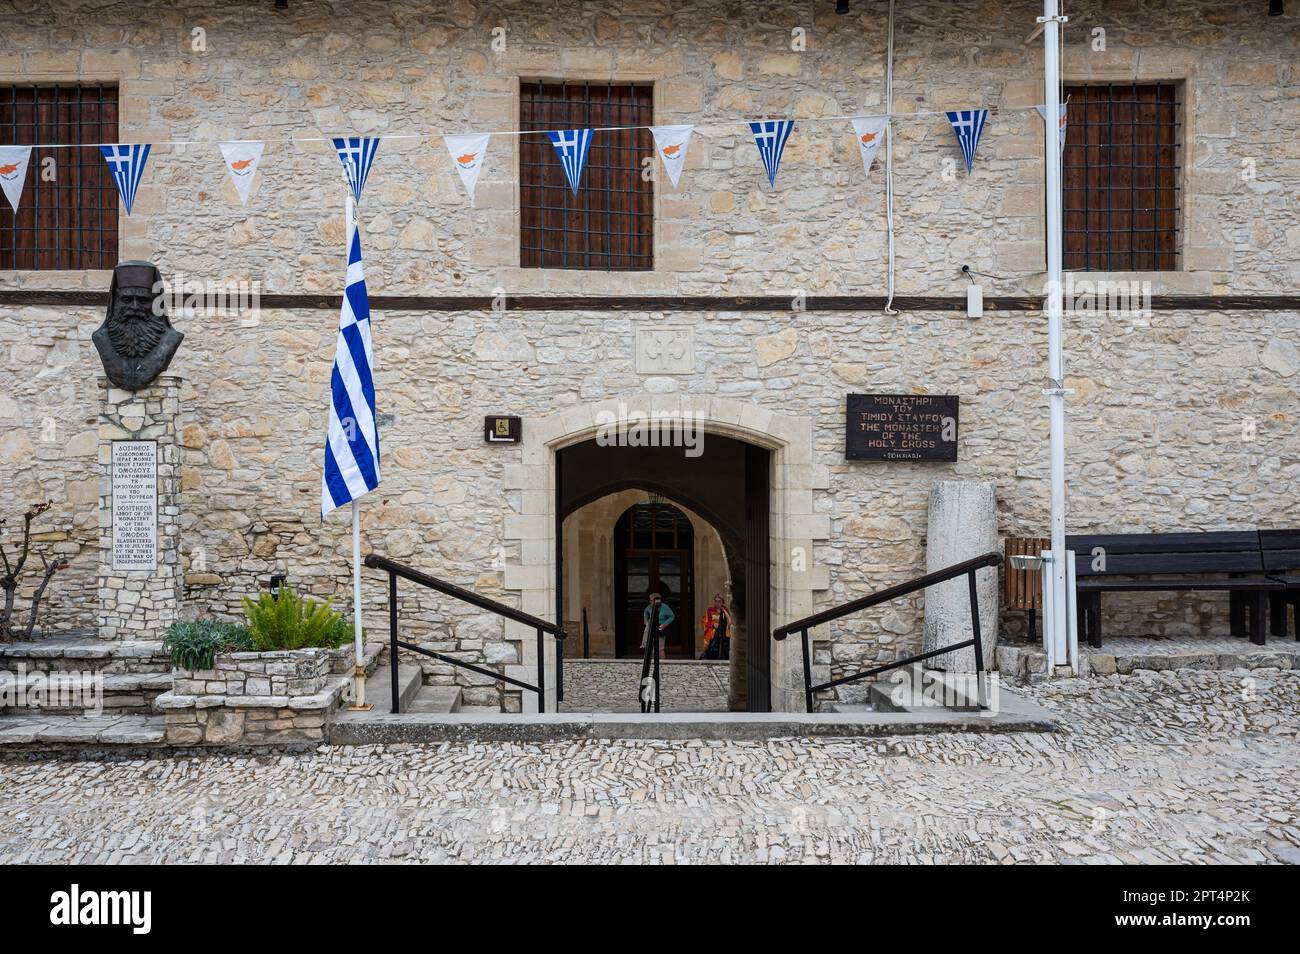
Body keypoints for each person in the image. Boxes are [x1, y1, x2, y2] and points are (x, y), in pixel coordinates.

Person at [698, 594, 733, 660]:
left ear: (722, 603)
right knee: (717, 632)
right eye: (716, 601)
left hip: (723, 630)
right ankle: (711, 650)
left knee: (723, 632)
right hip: (713, 629)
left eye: (719, 601)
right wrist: (713, 624)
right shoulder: (710, 610)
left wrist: (724, 611)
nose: (717, 603)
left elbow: (729, 621)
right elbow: (706, 621)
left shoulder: (725, 610)